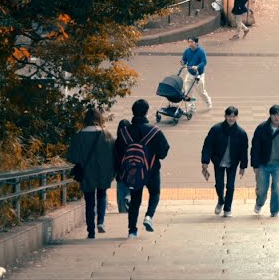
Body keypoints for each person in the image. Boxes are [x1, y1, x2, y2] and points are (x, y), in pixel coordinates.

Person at [115, 99, 170, 238]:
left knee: (135, 200)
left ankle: (132, 230)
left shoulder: (124, 132)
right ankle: (149, 216)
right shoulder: (154, 131)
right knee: (155, 193)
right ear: (146, 112)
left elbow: (118, 153)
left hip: (133, 172)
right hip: (151, 170)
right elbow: (163, 152)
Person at [67, 107, 114, 238]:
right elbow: (113, 154)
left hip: (87, 173)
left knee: (89, 201)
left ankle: (91, 231)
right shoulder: (107, 135)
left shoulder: (79, 136)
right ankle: (101, 221)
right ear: (100, 119)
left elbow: (72, 157)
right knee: (102, 195)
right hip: (102, 172)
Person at [200, 106, 249, 217]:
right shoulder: (216, 129)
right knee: (219, 185)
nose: (231, 118)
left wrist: (243, 166)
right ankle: (221, 200)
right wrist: (205, 161)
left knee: (230, 186)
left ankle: (227, 208)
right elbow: (207, 146)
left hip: (233, 163)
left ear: (237, 117)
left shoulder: (241, 133)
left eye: (233, 116)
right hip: (218, 162)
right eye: (229, 116)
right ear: (225, 116)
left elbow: (243, 151)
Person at [180, 37, 212, 110]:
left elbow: (204, 62)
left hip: (199, 74)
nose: (190, 43)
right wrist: (182, 62)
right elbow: (184, 60)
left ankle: (208, 101)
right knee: (187, 91)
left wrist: (197, 67)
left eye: (192, 42)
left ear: (196, 43)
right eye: (189, 42)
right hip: (190, 73)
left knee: (201, 91)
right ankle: (191, 107)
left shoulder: (201, 51)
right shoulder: (187, 51)